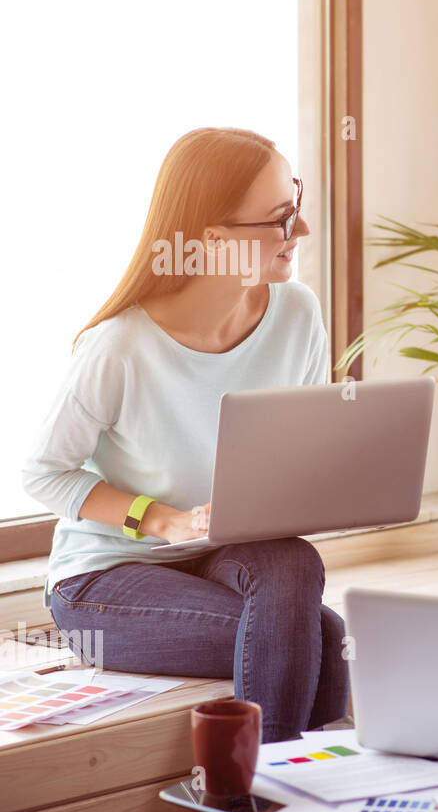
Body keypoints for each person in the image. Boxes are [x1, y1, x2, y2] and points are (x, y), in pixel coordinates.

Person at [21, 127, 349, 743]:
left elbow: (298, 446)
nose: (301, 230)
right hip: (104, 580)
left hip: (220, 557)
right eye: (281, 217)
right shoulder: (120, 347)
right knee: (325, 639)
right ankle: (269, 782)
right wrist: (163, 520)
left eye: (297, 204)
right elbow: (45, 472)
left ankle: (275, 781)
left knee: (297, 563)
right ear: (213, 239)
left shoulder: (297, 314)